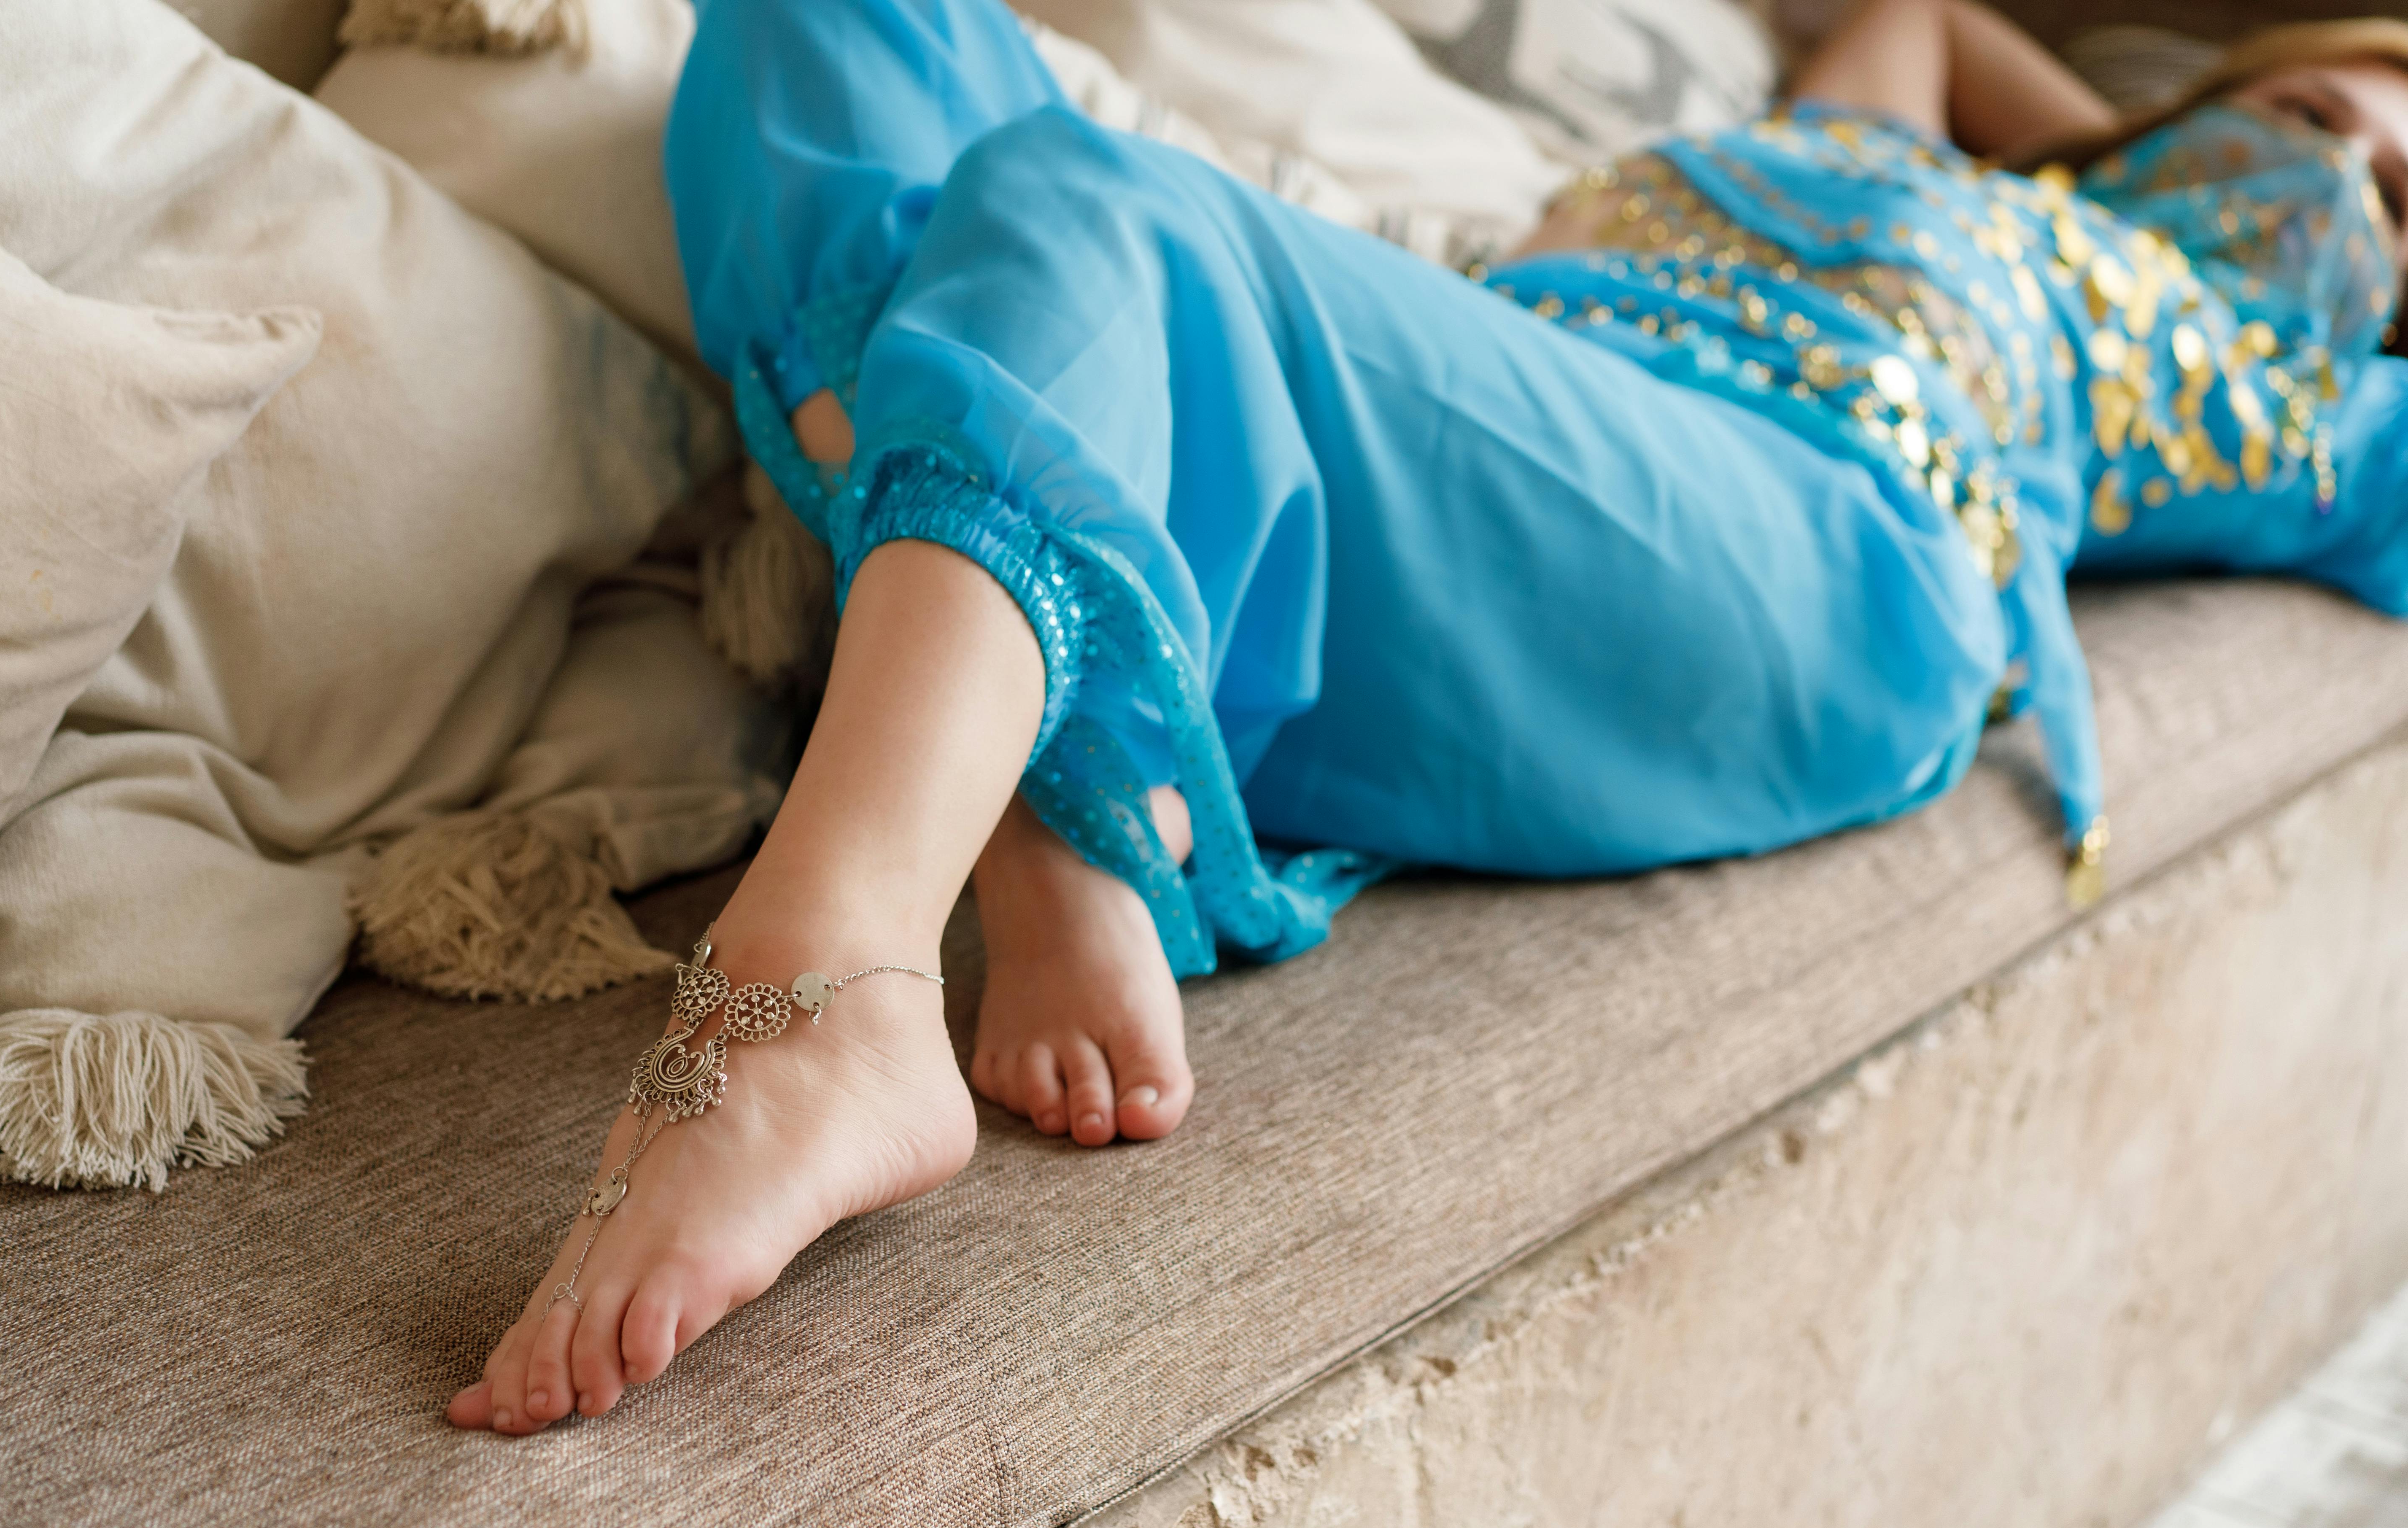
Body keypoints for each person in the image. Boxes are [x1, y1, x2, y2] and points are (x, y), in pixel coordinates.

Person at [450, 0, 2408, 1434]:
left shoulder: (2283, 372)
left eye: (2400, 191)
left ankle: (833, 976)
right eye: (2353, 101)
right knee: (835, 27)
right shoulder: (1886, 137)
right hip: (1489, 414)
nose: (2360, 157)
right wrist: (2158, 117)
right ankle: (1063, 803)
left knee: (1086, 203)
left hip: (1810, 544)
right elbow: (1917, 18)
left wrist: (2299, 174)